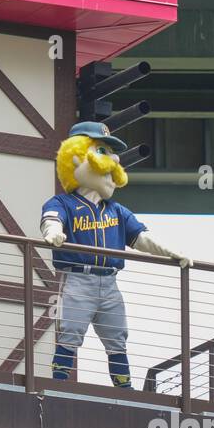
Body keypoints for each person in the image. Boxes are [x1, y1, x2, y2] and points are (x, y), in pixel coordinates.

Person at [40, 121, 191, 388]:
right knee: (70, 334)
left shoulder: (116, 210)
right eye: (102, 151)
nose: (113, 160)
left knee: (117, 336)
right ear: (75, 156)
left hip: (109, 282)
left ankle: (124, 390)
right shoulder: (63, 202)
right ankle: (57, 386)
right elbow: (52, 219)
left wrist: (171, 253)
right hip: (78, 279)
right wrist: (52, 232)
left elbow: (140, 237)